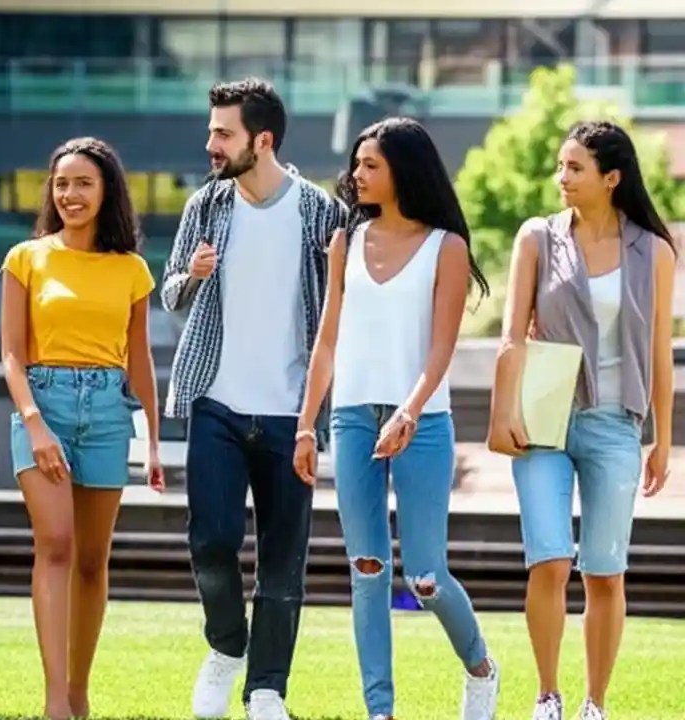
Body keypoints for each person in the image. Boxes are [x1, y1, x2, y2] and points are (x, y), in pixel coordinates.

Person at [292, 117, 500, 720]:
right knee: (367, 569)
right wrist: (306, 425)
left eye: (371, 165)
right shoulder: (345, 242)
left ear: (403, 170)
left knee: (426, 576)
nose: (356, 175)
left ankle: (480, 666)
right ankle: (379, 710)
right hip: (352, 419)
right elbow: (327, 341)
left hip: (423, 423)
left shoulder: (446, 247)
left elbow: (442, 347)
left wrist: (409, 410)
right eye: (357, 164)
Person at [161, 77, 346, 720]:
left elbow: (344, 303)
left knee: (283, 560)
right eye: (211, 131)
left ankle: (267, 688)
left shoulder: (320, 212)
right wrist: (192, 276)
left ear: (261, 140)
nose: (210, 144)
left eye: (223, 133)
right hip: (215, 400)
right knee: (211, 541)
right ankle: (226, 645)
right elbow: (170, 292)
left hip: (292, 412)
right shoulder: (206, 205)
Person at [490, 120, 676, 720]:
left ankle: (596, 703)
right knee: (549, 559)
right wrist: (503, 412)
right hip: (542, 420)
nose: (561, 177)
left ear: (611, 178)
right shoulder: (537, 238)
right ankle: (548, 695)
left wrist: (662, 439)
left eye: (575, 168)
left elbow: (659, 353)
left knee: (604, 570)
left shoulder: (654, 251)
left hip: (615, 425)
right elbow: (510, 334)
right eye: (560, 165)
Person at [0, 137, 164, 720]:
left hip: (108, 414)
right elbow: (11, 354)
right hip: (43, 404)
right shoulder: (26, 258)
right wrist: (35, 424)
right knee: (57, 545)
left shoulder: (132, 269)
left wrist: (153, 439)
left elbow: (139, 357)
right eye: (62, 183)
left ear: (106, 190)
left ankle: (78, 692)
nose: (70, 194)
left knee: (93, 560)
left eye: (83, 183)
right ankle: (53, 702)